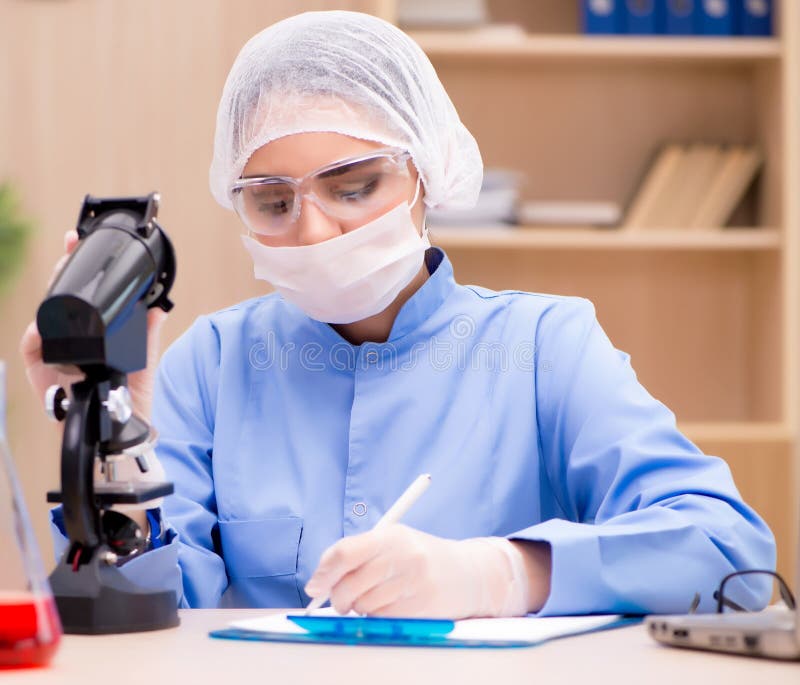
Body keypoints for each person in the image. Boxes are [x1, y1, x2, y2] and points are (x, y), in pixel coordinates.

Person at [21, 10, 774, 619]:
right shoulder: (211, 362)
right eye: (274, 202)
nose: (314, 230)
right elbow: (144, 615)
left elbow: (727, 552)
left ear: (427, 172)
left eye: (353, 187)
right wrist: (109, 450)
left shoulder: (546, 346)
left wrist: (503, 574)